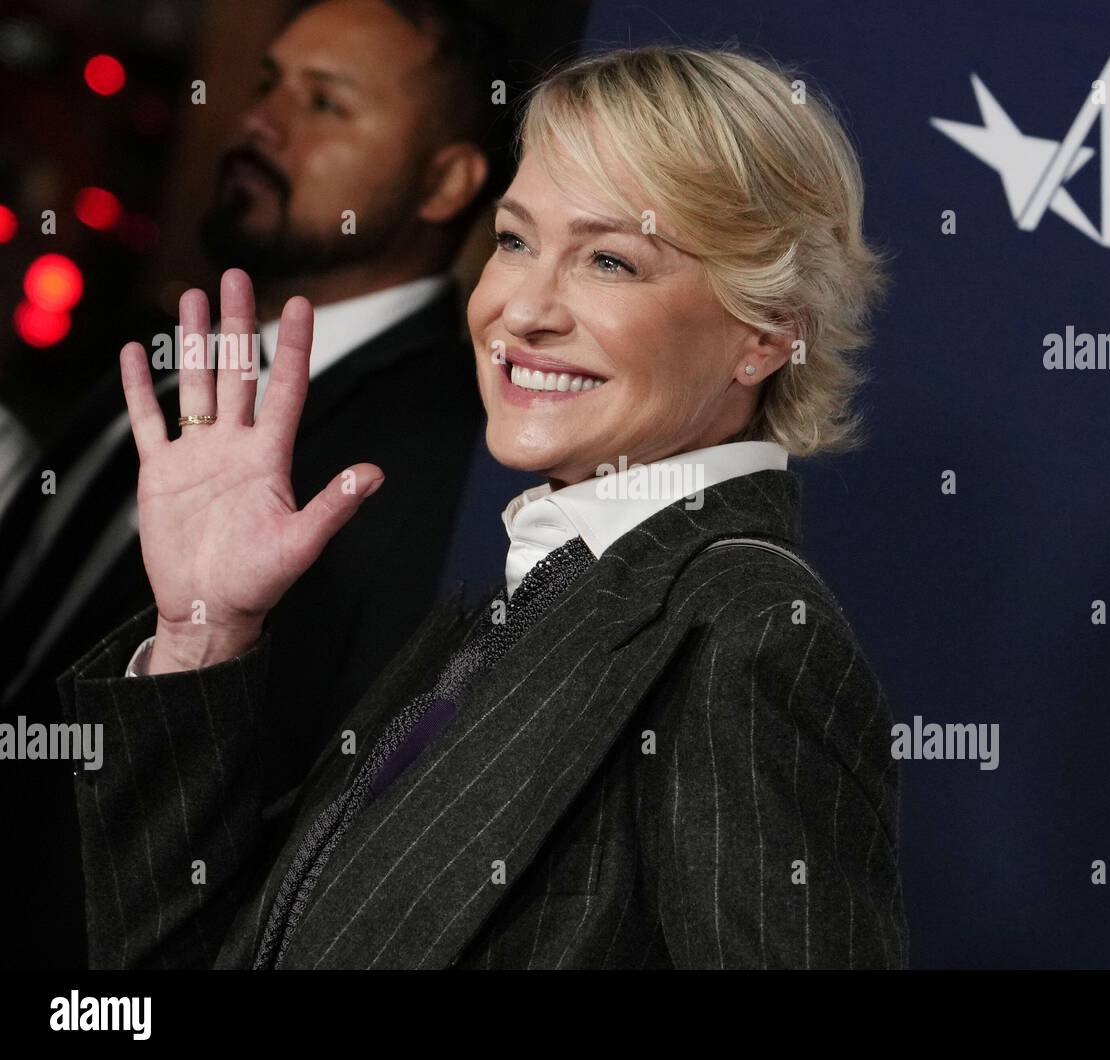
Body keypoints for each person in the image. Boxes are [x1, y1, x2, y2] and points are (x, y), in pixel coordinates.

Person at [60, 44, 907, 969]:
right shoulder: (520, 604)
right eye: (514, 241)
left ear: (765, 333)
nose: (521, 309)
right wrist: (203, 637)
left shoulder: (748, 635)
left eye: (611, 262)